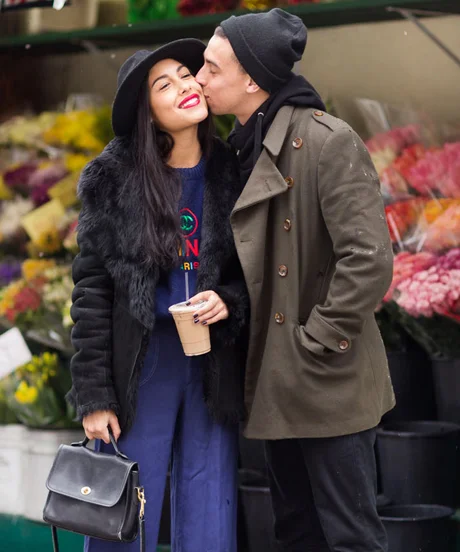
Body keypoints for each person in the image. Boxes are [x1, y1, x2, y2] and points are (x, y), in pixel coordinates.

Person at [196, 9, 395, 552]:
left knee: (350, 536)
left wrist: (316, 339)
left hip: (326, 376)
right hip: (273, 375)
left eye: (212, 68)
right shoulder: (238, 147)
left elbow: (369, 259)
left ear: (252, 80)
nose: (200, 78)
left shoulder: (328, 142)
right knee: (296, 532)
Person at [67, 39, 248, 552]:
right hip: (142, 362)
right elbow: (91, 292)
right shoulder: (114, 181)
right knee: (125, 506)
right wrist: (94, 396)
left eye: (187, 75)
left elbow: (253, 270)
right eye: (164, 85)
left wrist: (229, 300)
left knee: (209, 505)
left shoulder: (232, 169)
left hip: (212, 361)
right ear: (146, 114)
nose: (185, 86)